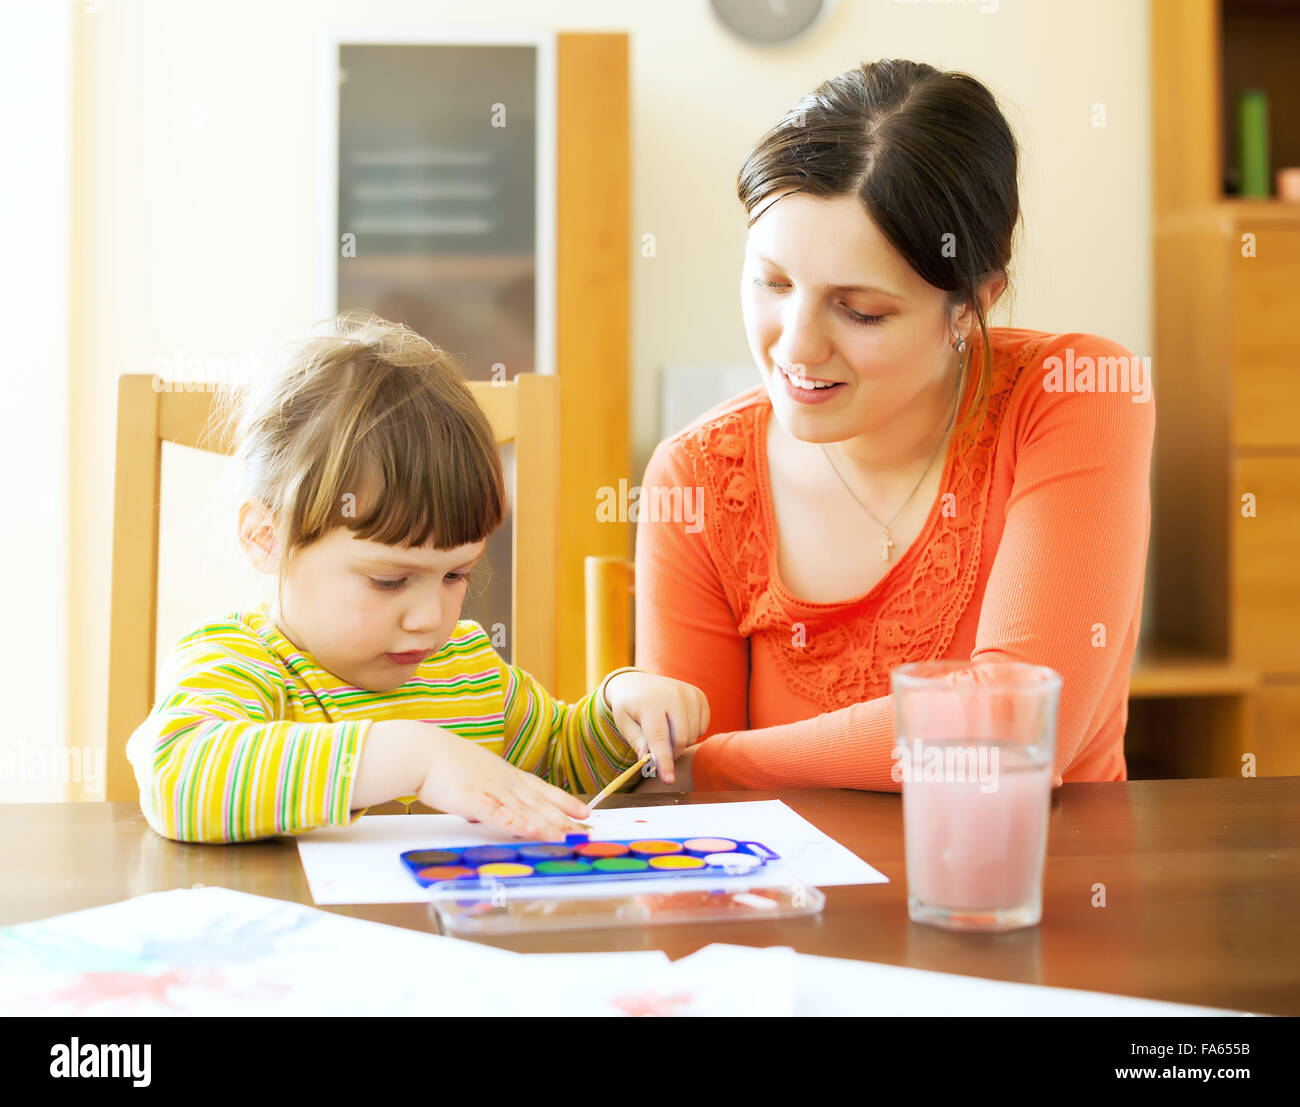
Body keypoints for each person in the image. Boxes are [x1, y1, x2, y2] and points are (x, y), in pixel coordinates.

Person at [634, 59, 1154, 793]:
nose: (796, 345)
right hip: (793, 903)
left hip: (1031, 893)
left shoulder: (1072, 393)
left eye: (861, 311)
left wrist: (716, 758)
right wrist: (686, 758)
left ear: (974, 301)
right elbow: (680, 789)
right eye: (773, 282)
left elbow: (1017, 733)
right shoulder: (695, 476)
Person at [127, 313, 707, 844]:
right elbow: (178, 775)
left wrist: (621, 711)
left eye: (456, 573)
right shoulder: (241, 663)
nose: (432, 618)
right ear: (266, 537)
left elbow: (558, 761)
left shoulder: (468, 671)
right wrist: (411, 756)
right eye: (388, 580)